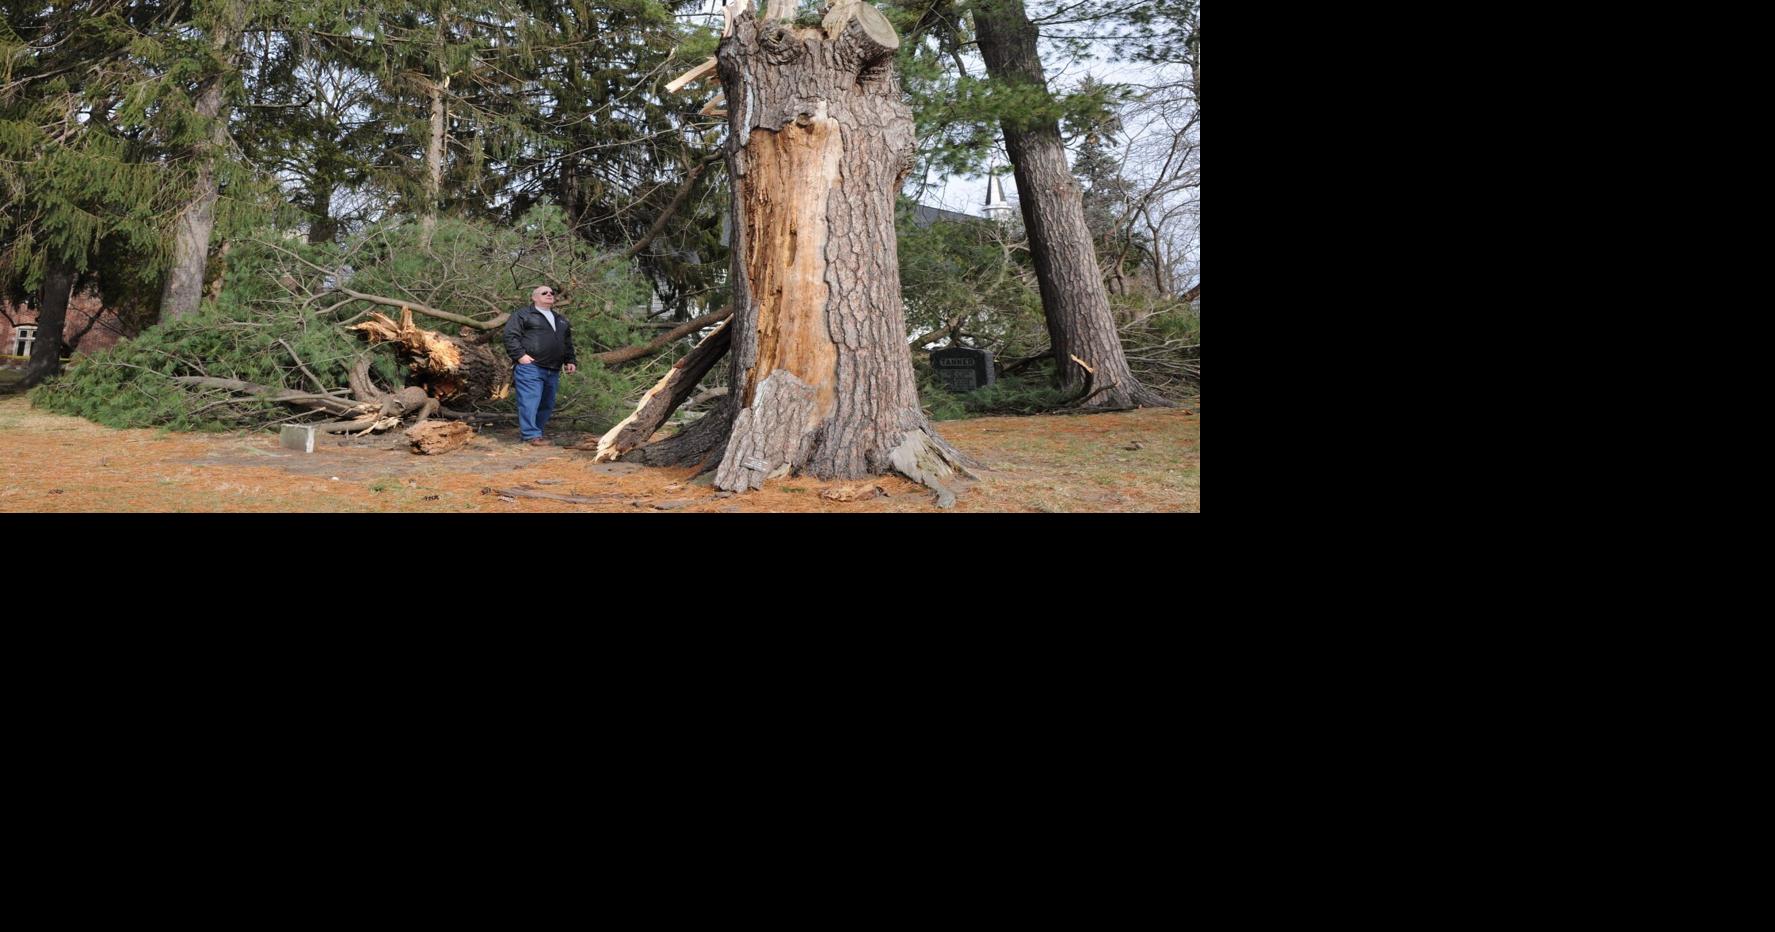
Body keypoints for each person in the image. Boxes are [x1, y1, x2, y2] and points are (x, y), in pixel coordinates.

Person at [502, 284, 578, 445]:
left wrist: (570, 360)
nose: (550, 294)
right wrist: (520, 355)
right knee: (530, 401)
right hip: (531, 367)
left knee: (547, 403)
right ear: (534, 297)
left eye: (552, 292)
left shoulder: (560, 319)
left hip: (553, 368)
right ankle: (531, 435)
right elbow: (510, 336)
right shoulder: (523, 315)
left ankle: (537, 433)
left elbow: (567, 342)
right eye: (544, 293)